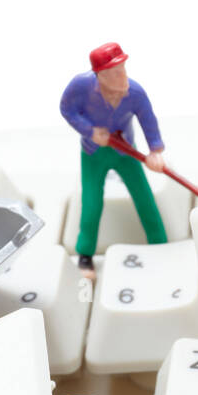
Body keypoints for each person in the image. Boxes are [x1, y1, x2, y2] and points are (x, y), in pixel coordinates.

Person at [59, 42, 168, 279]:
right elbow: (67, 109)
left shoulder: (135, 92)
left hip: (125, 151)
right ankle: (85, 255)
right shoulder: (81, 86)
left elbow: (148, 120)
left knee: (144, 197)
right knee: (91, 203)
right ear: (101, 76)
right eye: (117, 72)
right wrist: (89, 131)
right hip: (93, 153)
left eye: (124, 69)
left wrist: (155, 151)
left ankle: (160, 244)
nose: (123, 76)